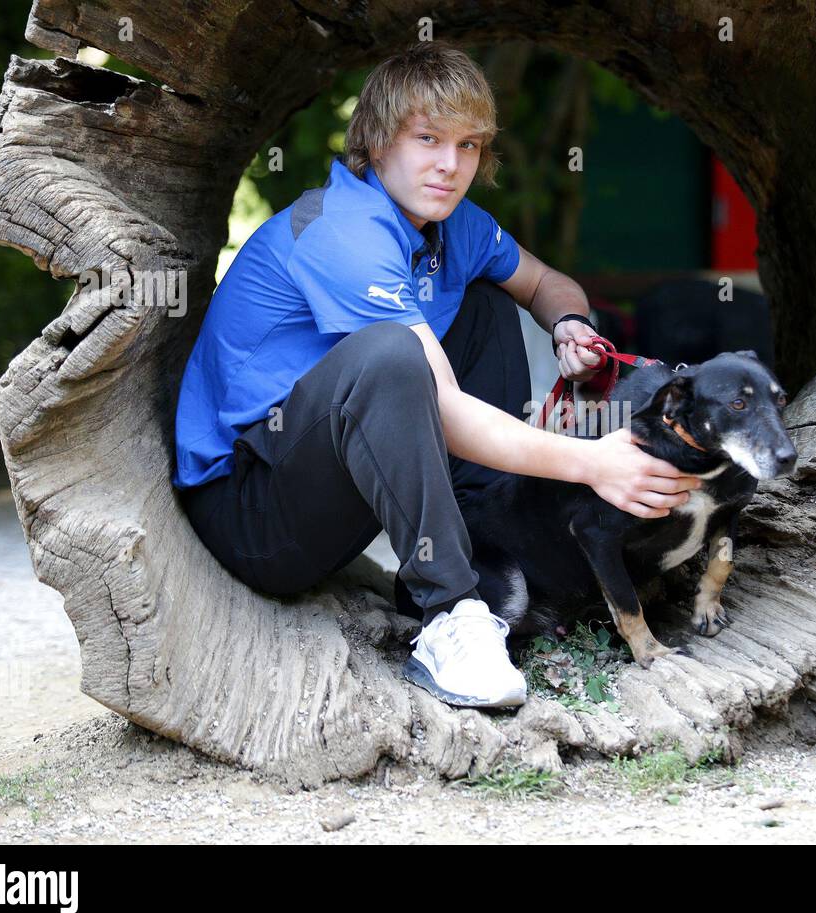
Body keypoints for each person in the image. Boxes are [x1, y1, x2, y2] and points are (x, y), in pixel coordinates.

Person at [171, 41, 701, 709]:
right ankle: (451, 611)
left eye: (470, 145)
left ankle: (490, 562)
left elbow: (544, 283)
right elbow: (440, 403)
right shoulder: (342, 227)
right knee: (392, 356)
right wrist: (594, 462)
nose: (451, 165)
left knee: (485, 303)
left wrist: (568, 323)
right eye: (428, 139)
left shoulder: (454, 227)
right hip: (255, 511)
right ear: (376, 140)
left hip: (327, 484)